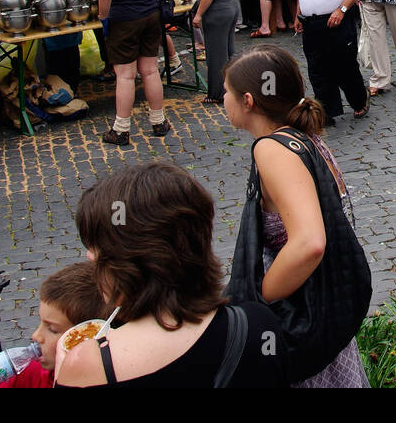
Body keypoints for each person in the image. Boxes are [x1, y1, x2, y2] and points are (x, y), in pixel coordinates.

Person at [57, 163, 288, 388]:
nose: (90, 257)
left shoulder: (90, 366)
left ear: (129, 262)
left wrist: (65, 369)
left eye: (97, 249)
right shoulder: (259, 325)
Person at [221, 46, 369, 386]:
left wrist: (258, 299)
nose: (222, 100)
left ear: (247, 101)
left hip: (300, 309)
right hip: (319, 306)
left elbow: (310, 244)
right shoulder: (304, 138)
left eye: (226, 92)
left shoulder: (272, 149)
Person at [0, 261, 108, 388]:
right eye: (40, 322)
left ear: (87, 336)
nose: (35, 336)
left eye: (52, 330)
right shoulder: (31, 373)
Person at [97, 0, 175, 146]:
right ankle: (159, 121)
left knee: (126, 75)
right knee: (150, 71)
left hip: (125, 19)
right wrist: (166, 0)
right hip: (150, 15)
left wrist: (103, 16)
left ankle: (121, 129)